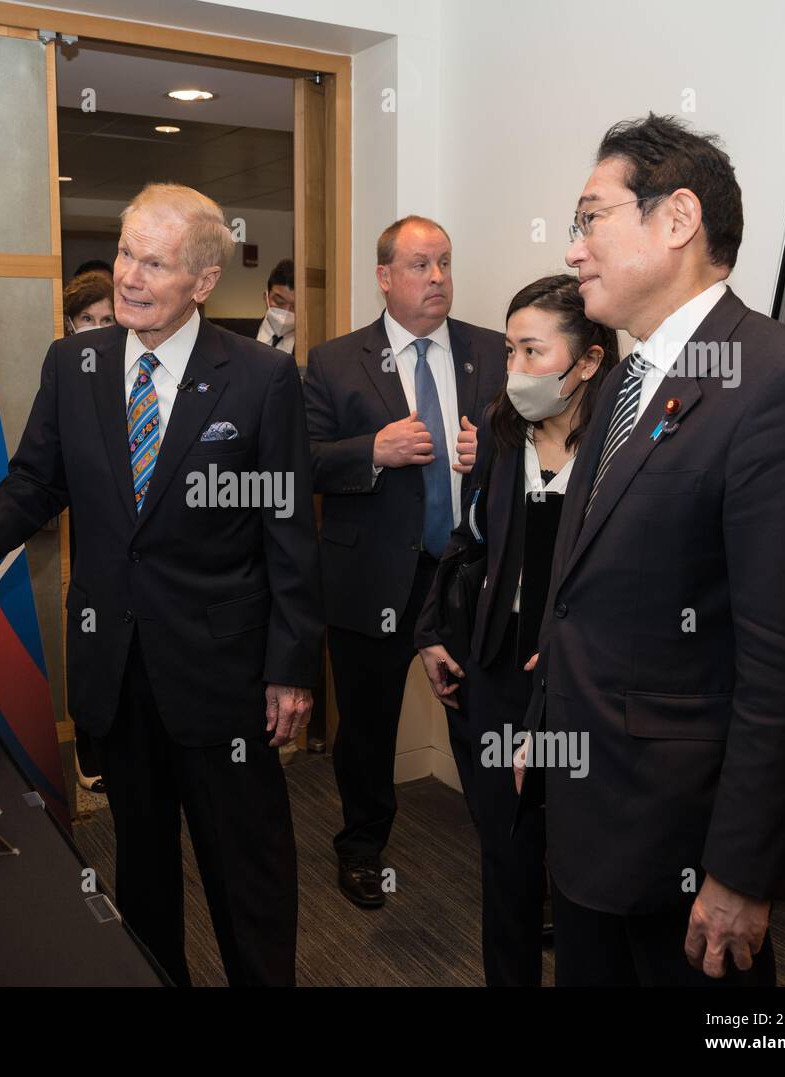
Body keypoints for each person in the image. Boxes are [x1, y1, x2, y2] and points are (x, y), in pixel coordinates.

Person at [0, 183, 323, 987]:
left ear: (205, 281)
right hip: (116, 667)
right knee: (141, 869)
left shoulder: (259, 379)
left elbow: (289, 533)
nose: (129, 277)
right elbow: (34, 481)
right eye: (124, 253)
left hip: (225, 678)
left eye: (155, 262)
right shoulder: (73, 363)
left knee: (245, 871)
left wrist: (292, 664)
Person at [522, 113, 785, 986]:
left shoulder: (781, 384)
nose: (573, 247)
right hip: (592, 818)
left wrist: (743, 869)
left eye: (590, 218)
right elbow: (577, 587)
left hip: (684, 844)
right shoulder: (632, 376)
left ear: (676, 221)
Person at [415, 274, 618, 985]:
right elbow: (467, 544)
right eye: (508, 351)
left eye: (533, 351)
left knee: (581, 876)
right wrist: (435, 631)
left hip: (579, 692)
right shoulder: (503, 439)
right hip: (497, 680)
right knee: (505, 866)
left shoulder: (623, 456)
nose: (515, 370)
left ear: (589, 359)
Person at [302, 215, 505, 908]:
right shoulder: (333, 361)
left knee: (482, 720)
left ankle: (509, 856)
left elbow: (548, 449)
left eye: (445, 262)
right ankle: (361, 847)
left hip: (466, 576)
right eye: (421, 265)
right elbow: (299, 463)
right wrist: (371, 452)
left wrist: (499, 457)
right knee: (365, 726)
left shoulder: (496, 351)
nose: (438, 278)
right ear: (385, 276)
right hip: (372, 579)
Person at [59, 269, 116, 794]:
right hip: (87, 540)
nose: (97, 329)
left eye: (107, 319)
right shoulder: (64, 372)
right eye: (86, 320)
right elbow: (40, 473)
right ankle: (89, 747)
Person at [258, 258, 295, 354]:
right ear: (266, 297)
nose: (286, 311)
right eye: (279, 302)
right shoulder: (238, 336)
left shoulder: (311, 346)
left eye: (294, 307)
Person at [63, 270, 116, 336]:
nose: (98, 328)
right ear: (68, 323)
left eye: (107, 320)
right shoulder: (56, 346)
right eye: (87, 319)